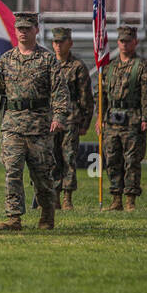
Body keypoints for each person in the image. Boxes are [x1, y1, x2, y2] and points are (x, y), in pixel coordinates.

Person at [0, 13, 68, 230]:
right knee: (12, 171)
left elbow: (60, 91)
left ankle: (47, 213)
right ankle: (14, 217)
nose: (23, 32)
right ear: (15, 31)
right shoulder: (5, 60)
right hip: (12, 124)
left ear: (36, 30)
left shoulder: (48, 59)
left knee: (41, 174)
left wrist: (59, 117)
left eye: (28, 28)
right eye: (20, 28)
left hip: (39, 125)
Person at [99, 26, 147, 211]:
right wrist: (101, 117)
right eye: (122, 41)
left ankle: (130, 199)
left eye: (128, 41)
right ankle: (116, 199)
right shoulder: (110, 67)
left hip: (132, 118)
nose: (124, 44)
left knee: (131, 160)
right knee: (113, 159)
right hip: (112, 119)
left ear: (135, 42)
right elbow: (103, 95)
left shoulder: (142, 66)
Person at [49, 27, 93, 210]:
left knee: (68, 157)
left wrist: (85, 122)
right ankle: (54, 196)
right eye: (56, 42)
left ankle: (67, 197)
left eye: (62, 42)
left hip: (71, 119)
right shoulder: (48, 64)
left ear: (70, 43)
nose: (58, 46)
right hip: (51, 119)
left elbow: (86, 97)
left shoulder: (77, 67)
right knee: (52, 158)